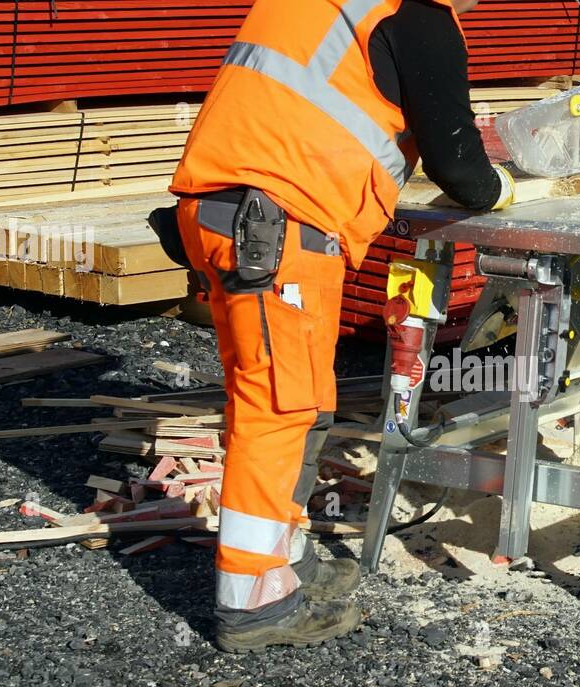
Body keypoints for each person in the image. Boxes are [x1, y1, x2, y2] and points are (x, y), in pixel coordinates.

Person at [167, 0, 514, 653]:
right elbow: (459, 165)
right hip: (278, 229)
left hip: (232, 215)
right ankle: (254, 605)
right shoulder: (417, 15)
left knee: (305, 404)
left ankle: (286, 561)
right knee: (279, 410)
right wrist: (499, 189)